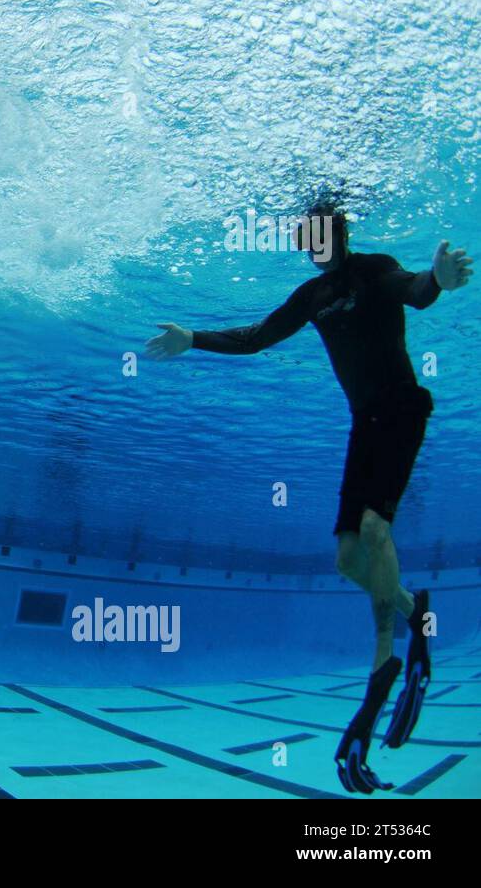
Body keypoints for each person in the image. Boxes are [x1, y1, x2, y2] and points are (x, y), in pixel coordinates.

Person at [145, 198, 471, 793]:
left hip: (401, 408)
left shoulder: (374, 269)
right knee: (348, 559)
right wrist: (194, 338)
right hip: (365, 422)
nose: (316, 246)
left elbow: (415, 288)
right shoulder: (311, 297)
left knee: (375, 533)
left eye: (323, 234)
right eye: (307, 238)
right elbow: (257, 337)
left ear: (342, 235)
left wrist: (439, 281)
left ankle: (384, 670)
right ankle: (415, 615)